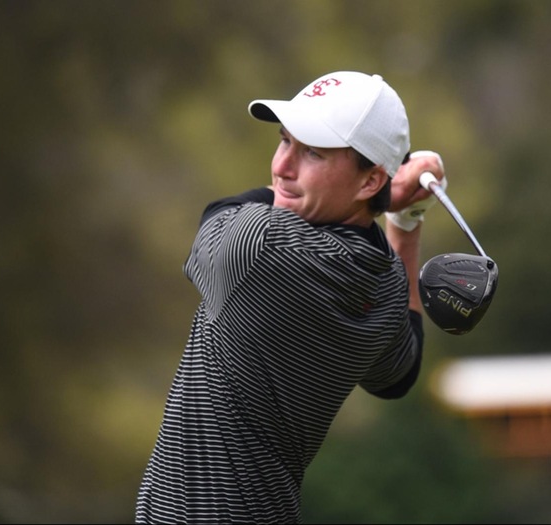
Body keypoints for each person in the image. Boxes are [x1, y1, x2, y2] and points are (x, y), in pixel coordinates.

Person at [135, 70, 446, 524]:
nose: (282, 166)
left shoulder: (261, 246)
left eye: (313, 153)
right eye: (285, 141)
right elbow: (398, 374)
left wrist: (390, 202)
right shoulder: (384, 282)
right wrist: (405, 219)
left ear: (369, 181)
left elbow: (219, 213)